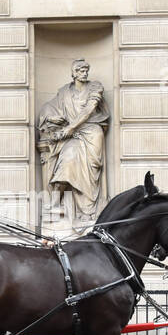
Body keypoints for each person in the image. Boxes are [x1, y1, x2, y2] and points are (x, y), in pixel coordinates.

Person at [36, 58, 110, 223]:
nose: (84, 74)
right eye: (80, 71)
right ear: (73, 73)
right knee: (67, 160)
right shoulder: (64, 92)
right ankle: (55, 204)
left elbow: (89, 110)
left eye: (86, 71)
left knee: (91, 173)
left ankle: (89, 211)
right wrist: (47, 117)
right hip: (74, 137)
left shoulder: (95, 87)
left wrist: (69, 128)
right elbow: (50, 107)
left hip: (91, 132)